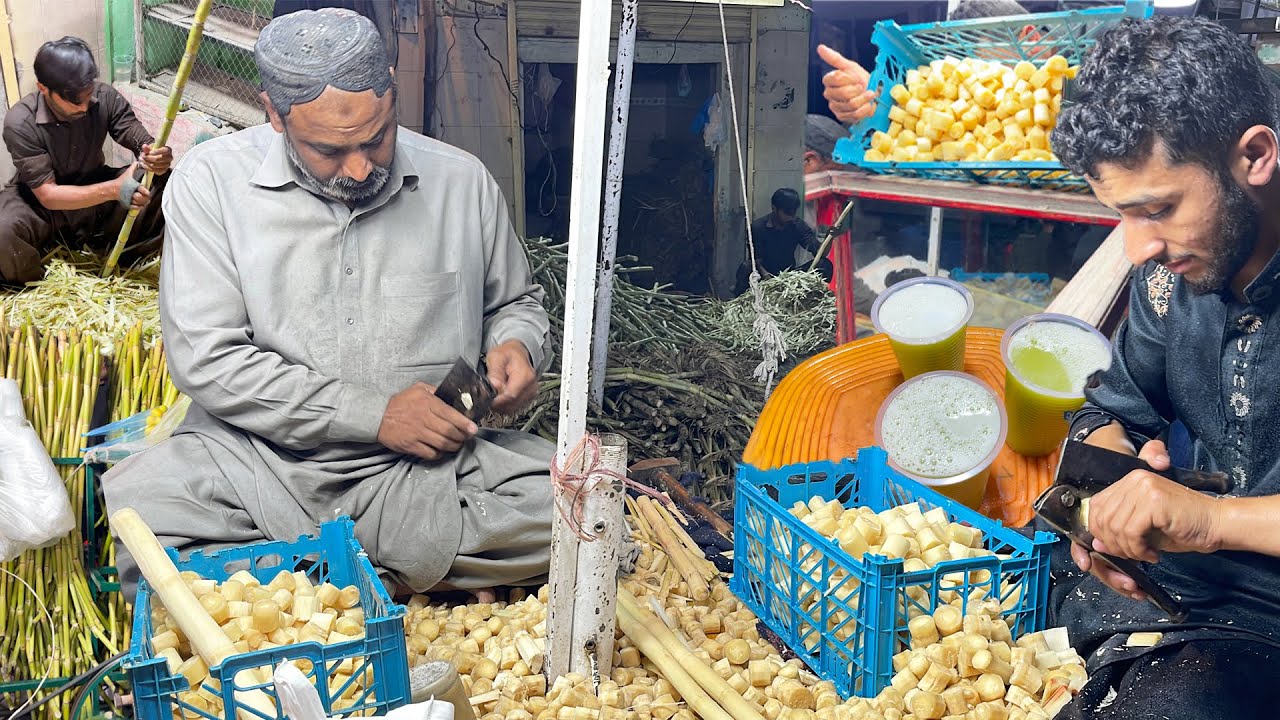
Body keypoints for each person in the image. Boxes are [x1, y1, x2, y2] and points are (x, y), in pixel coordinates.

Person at [101, 9, 554, 605]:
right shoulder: (210, 184)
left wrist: (517, 343)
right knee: (150, 528)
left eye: (378, 137)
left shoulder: (461, 181)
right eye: (329, 151)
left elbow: (516, 301)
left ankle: (310, 587)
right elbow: (208, 359)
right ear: (273, 114)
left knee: (582, 509)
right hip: (257, 462)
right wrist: (373, 414)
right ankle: (399, 578)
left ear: (391, 91)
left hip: (427, 470)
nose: (362, 167)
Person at [1044, 16, 1280, 718]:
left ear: (1256, 156)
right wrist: (1104, 496)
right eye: (1121, 215)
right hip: (1183, 592)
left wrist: (1205, 519)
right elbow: (1115, 409)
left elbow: (1204, 519)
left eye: (1159, 209)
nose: (1138, 247)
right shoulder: (1170, 278)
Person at [0, 36, 172, 284]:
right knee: (2, 231)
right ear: (43, 89)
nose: (83, 106)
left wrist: (157, 157)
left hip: (93, 193)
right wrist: (114, 189)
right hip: (39, 205)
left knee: (164, 181)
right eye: (73, 100)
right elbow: (48, 195)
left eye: (87, 93)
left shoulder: (104, 97)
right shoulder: (20, 122)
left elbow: (141, 142)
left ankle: (127, 258)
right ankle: (35, 287)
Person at [817, 0, 1031, 124]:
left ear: (1031, 38)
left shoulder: (1062, 85)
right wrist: (876, 100)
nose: (987, 97)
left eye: (994, 75)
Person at [737, 188, 819, 292]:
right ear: (774, 208)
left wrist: (831, 237)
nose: (790, 217)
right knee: (746, 267)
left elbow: (818, 251)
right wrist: (768, 280)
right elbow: (757, 259)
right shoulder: (758, 227)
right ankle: (741, 301)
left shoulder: (797, 225)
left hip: (789, 275)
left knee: (823, 264)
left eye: (793, 213)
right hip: (764, 275)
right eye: (786, 212)